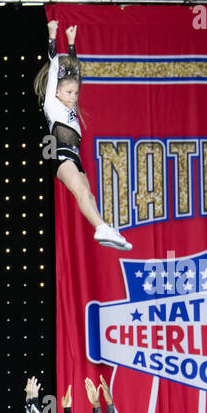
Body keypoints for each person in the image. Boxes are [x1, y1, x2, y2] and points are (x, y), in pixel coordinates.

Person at [34, 21, 130, 250]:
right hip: (60, 156)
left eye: (76, 93)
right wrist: (52, 35)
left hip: (73, 158)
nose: (74, 96)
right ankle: (101, 227)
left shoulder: (69, 108)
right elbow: (54, 64)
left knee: (87, 192)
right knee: (80, 191)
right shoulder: (52, 104)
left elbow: (74, 71)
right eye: (68, 92)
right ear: (56, 91)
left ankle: (103, 228)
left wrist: (71, 42)